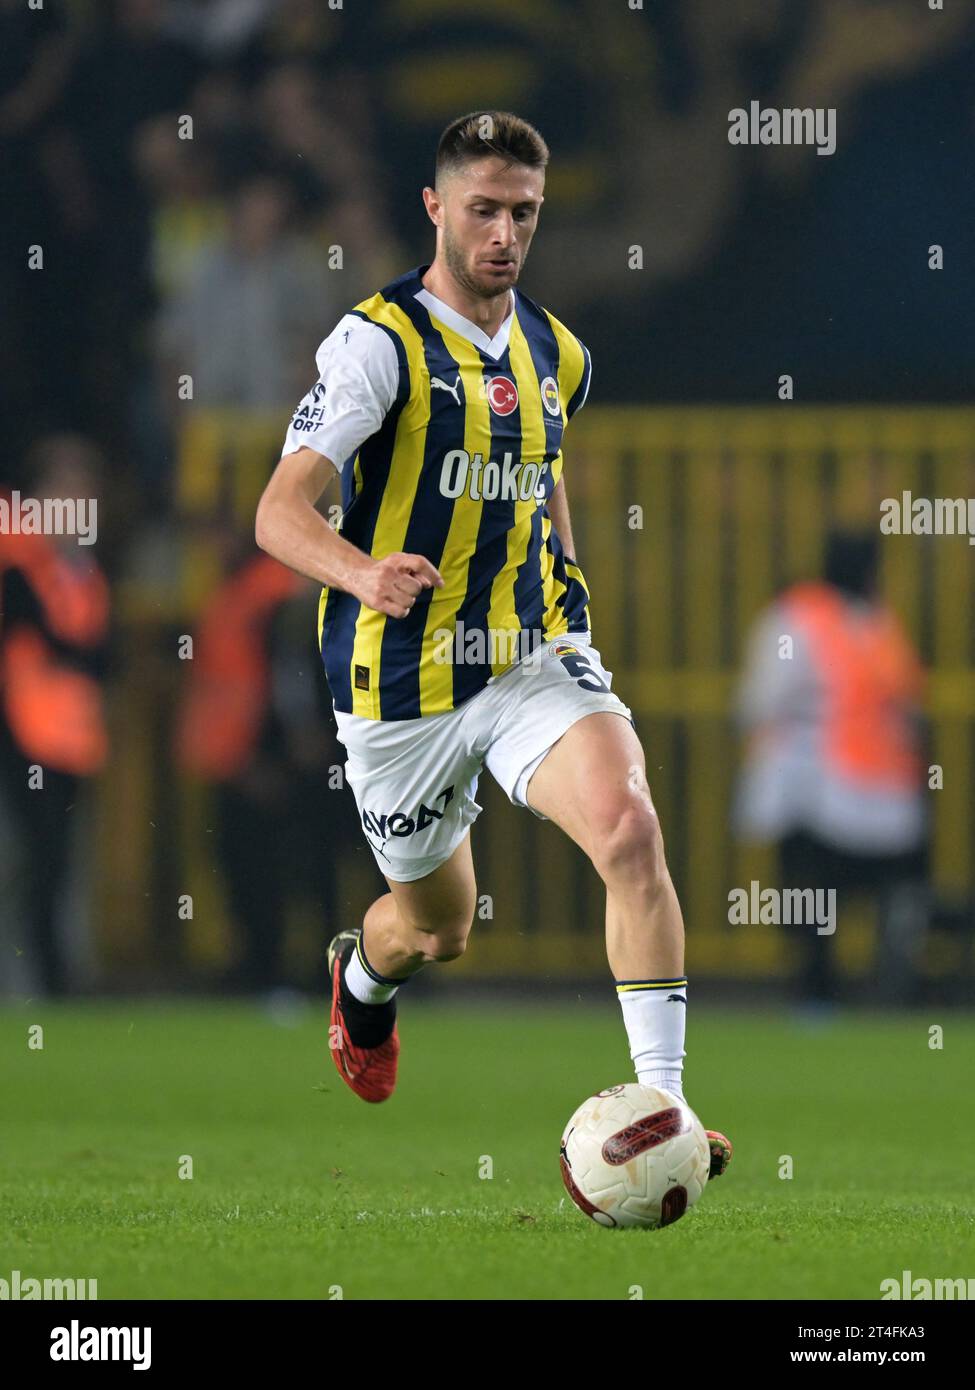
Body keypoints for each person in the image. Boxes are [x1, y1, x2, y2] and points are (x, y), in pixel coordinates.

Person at [255, 110, 731, 1181]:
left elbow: (540, 456)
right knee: (439, 929)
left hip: (528, 655)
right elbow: (278, 513)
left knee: (629, 830)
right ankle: (363, 985)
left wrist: (564, 564)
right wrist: (365, 572)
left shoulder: (559, 350)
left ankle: (668, 1111)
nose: (504, 233)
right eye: (482, 210)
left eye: (522, 212)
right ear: (435, 208)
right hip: (400, 682)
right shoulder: (377, 345)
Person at [733, 530, 929, 1009]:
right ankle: (870, 992)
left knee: (812, 898)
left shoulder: (796, 616)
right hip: (876, 788)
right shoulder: (877, 622)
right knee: (864, 895)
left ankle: (817, 993)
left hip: (821, 785)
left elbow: (760, 700)